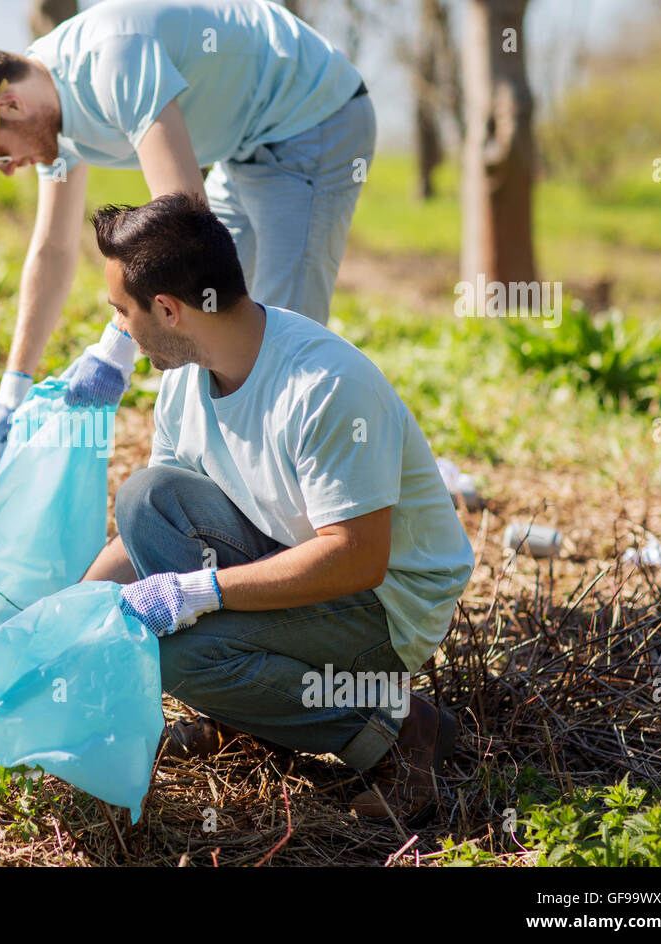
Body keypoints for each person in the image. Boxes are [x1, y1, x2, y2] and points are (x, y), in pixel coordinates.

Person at [81, 194, 474, 823]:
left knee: (174, 654)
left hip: (384, 607)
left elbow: (359, 558)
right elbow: (147, 534)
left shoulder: (322, 387)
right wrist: (73, 614)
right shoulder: (189, 371)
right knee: (146, 498)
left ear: (168, 309)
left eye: (122, 311)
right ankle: (255, 711)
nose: (120, 329)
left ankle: (398, 728)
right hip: (296, 558)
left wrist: (199, 592)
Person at [0, 0, 376, 474]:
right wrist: (12, 391)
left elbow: (184, 227)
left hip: (314, 116)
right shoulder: (44, 113)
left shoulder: (114, 58)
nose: (8, 171)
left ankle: (376, 477)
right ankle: (225, 484)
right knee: (205, 317)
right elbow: (52, 251)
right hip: (243, 146)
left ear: (9, 105)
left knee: (277, 342)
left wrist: (112, 356)